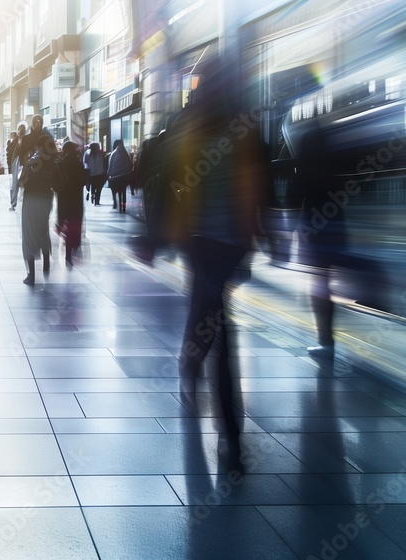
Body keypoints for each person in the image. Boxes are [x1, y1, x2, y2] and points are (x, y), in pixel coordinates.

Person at [149, 65, 271, 466]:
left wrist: (157, 235)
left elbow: (164, 183)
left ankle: (190, 366)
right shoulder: (238, 126)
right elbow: (167, 180)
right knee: (219, 324)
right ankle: (230, 438)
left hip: (207, 244)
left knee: (208, 313)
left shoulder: (191, 125)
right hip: (214, 244)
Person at [295, 127, 342, 359]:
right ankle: (326, 339)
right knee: (324, 284)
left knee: (317, 286)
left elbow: (295, 196)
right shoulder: (333, 170)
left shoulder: (306, 170)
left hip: (313, 232)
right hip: (332, 230)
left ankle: (325, 340)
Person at [19, 134, 60, 284]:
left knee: (29, 234)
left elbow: (22, 182)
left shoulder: (32, 161)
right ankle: (46, 265)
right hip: (46, 200)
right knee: (43, 230)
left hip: (31, 201)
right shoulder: (53, 163)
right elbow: (57, 185)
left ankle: (31, 276)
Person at [55, 140, 85, 266]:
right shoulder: (79, 164)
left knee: (66, 224)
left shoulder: (62, 163)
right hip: (76, 198)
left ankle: (68, 252)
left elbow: (58, 181)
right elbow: (83, 181)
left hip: (64, 198)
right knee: (75, 223)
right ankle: (73, 248)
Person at [107, 139, 133, 212]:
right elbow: (129, 164)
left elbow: (110, 165)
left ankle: (114, 200)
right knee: (123, 190)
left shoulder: (113, 153)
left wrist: (109, 174)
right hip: (125, 176)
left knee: (113, 188)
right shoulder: (126, 153)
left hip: (114, 177)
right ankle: (124, 204)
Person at [7, 122, 28, 210]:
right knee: (16, 183)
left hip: (19, 162)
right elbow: (9, 150)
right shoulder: (20, 139)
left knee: (15, 183)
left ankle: (14, 203)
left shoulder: (21, 139)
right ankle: (14, 203)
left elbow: (9, 150)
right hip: (19, 162)